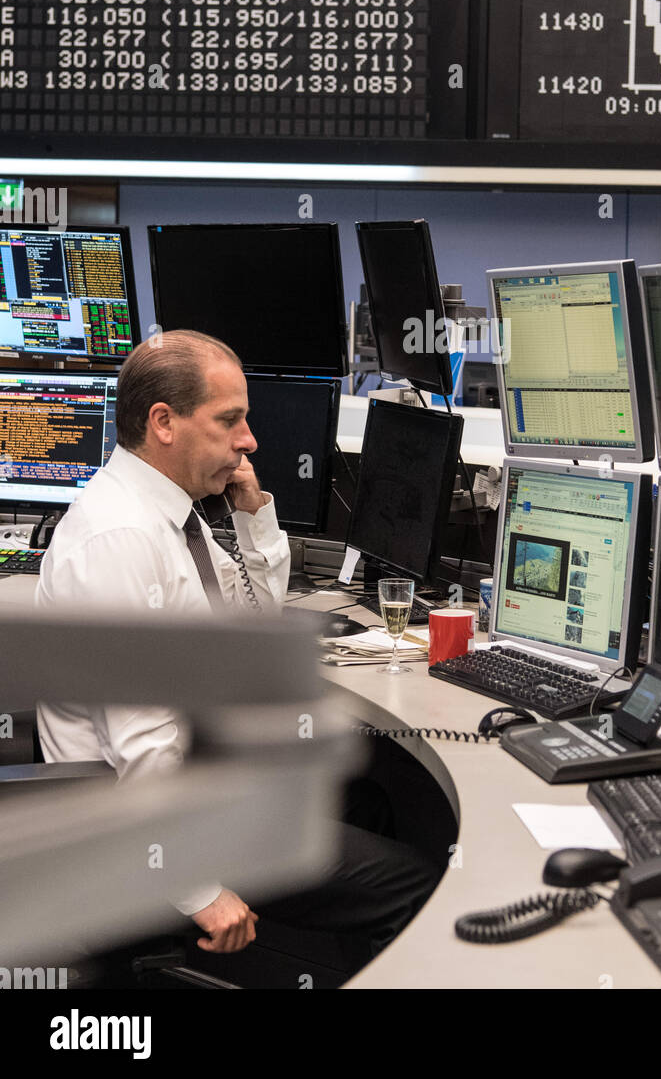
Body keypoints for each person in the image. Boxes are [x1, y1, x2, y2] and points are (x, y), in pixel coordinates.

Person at [36, 329, 438, 980]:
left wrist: (252, 515)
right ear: (163, 423)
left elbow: (246, 628)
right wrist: (199, 891)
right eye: (229, 420)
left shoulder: (171, 512)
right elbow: (142, 738)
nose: (249, 439)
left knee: (370, 801)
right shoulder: (121, 540)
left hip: (197, 785)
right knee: (413, 882)